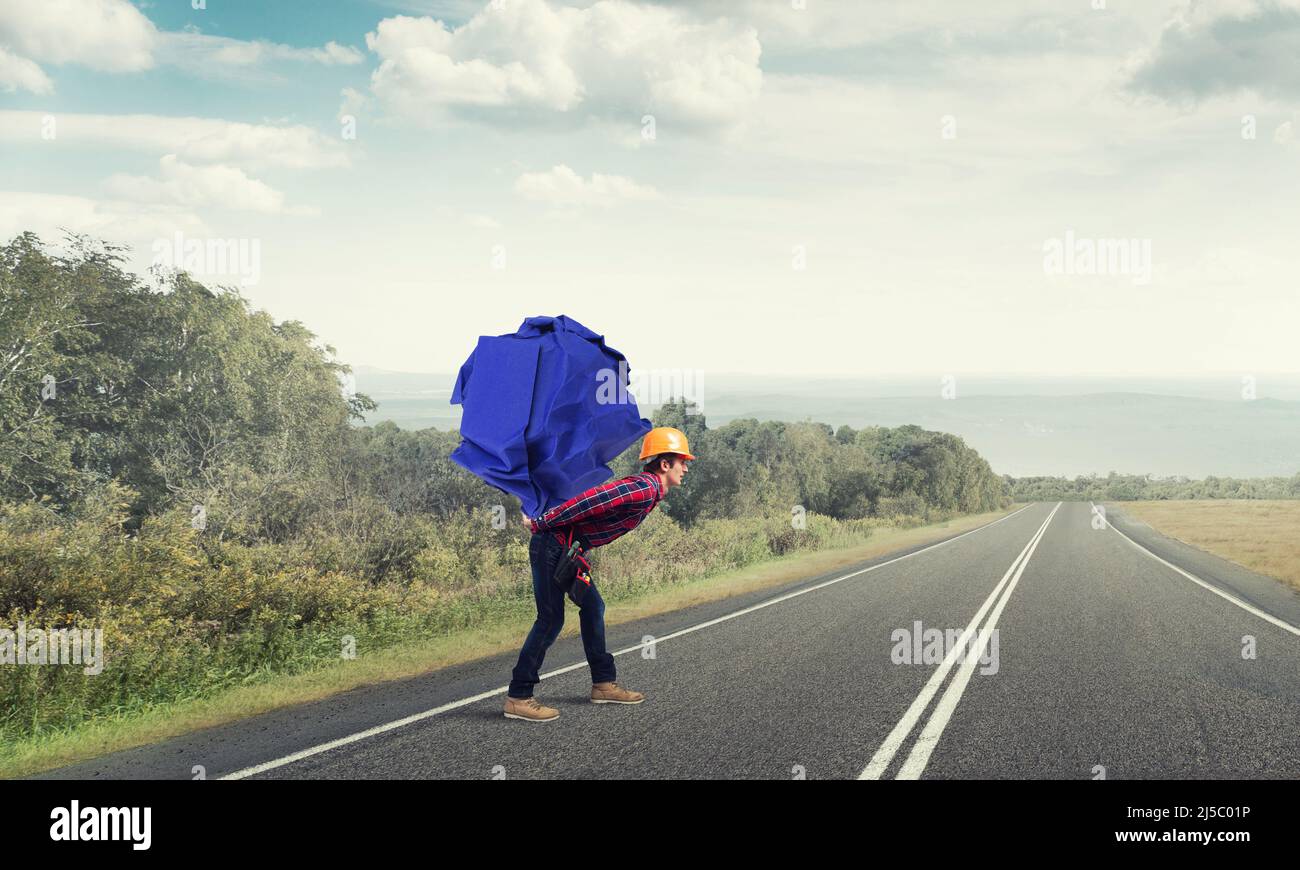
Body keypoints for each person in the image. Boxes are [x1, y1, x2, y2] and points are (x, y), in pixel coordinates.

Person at [503, 426, 695, 722]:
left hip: (566, 549)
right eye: (682, 461)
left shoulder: (651, 491)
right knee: (551, 619)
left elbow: (595, 517)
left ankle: (603, 684)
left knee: (594, 607)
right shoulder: (643, 488)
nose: (686, 467)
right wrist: (541, 523)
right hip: (551, 544)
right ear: (665, 464)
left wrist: (579, 550)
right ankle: (519, 696)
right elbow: (591, 500)